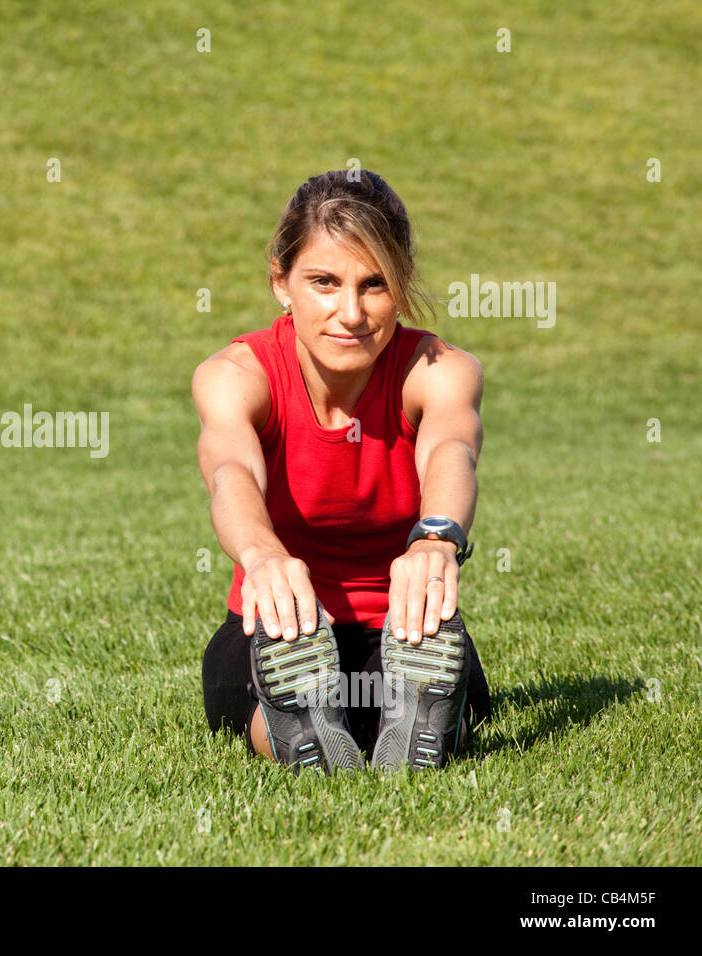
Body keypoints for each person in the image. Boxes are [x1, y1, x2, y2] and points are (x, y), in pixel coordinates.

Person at [191, 170, 492, 773]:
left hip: (407, 626)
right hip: (280, 624)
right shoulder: (236, 375)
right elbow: (230, 471)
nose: (350, 313)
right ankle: (289, 722)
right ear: (281, 281)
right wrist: (262, 556)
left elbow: (450, 450)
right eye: (324, 283)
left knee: (441, 695)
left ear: (401, 287)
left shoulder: (437, 370)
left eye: (374, 285)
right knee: (254, 684)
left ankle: (420, 711)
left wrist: (435, 539)